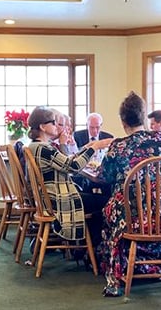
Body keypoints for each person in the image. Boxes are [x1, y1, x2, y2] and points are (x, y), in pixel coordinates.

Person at [96, 92, 161, 296]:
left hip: (132, 215)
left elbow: (105, 176)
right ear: (143, 117)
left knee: (109, 207)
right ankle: (157, 265)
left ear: (123, 121)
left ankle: (117, 266)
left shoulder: (118, 146)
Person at [27, 106, 112, 253]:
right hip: (59, 201)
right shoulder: (44, 149)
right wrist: (94, 148)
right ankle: (92, 248)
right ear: (42, 127)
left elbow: (67, 162)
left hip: (50, 198)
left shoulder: (37, 146)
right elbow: (73, 166)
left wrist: (89, 147)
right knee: (107, 202)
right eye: (53, 122)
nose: (57, 125)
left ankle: (86, 248)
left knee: (96, 198)